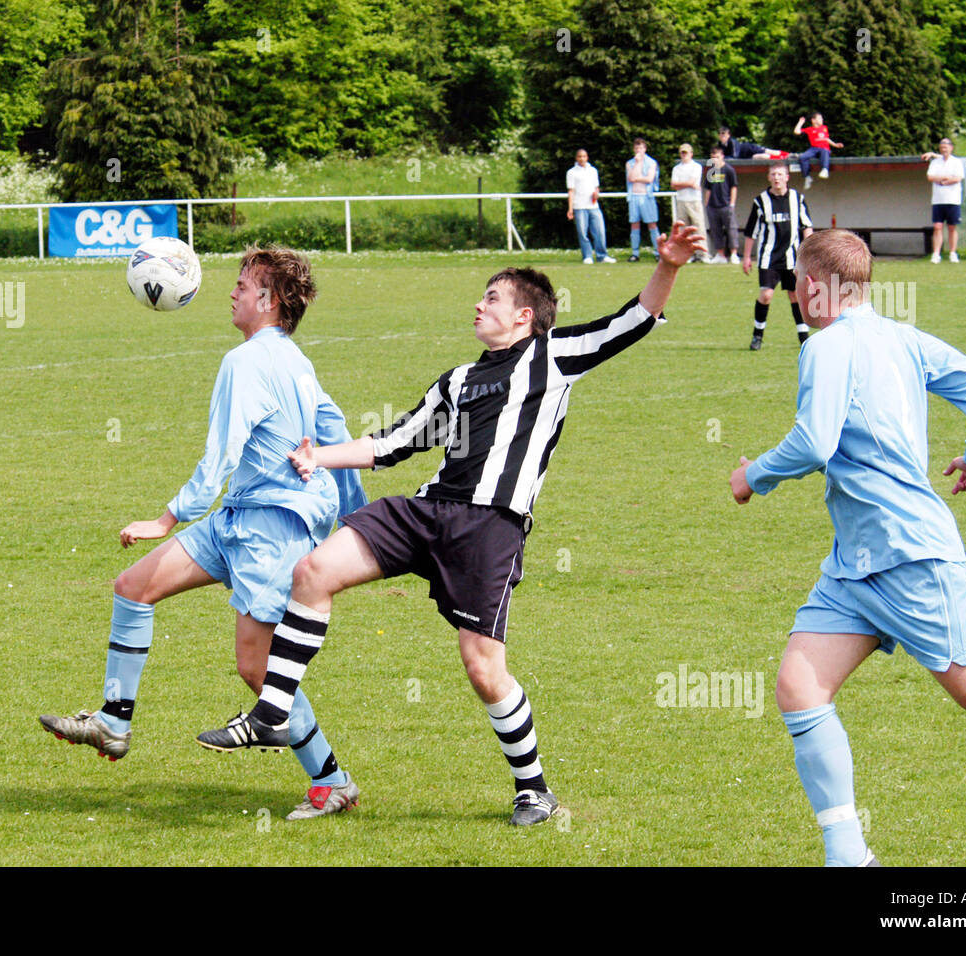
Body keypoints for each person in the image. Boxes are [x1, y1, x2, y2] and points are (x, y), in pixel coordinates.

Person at [196, 223, 709, 826]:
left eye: (492, 298)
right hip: (425, 511)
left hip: (489, 528)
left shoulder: (553, 356)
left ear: (523, 317)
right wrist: (318, 456)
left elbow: (632, 321)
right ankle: (273, 713)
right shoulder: (457, 382)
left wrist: (669, 265)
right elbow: (392, 443)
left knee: (483, 669)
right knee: (313, 571)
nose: (478, 304)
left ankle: (533, 791)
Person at [729, 228, 966, 866]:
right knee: (800, 688)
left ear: (817, 287)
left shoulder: (827, 346)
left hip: (909, 555)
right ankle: (849, 858)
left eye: (800, 281)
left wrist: (753, 477)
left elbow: (814, 441)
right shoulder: (903, 338)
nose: (797, 294)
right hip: (854, 567)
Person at [39, 245, 369, 820]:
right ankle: (113, 722)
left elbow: (221, 455)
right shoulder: (294, 359)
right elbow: (331, 427)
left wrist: (167, 518)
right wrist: (354, 514)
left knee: (257, 669)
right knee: (132, 588)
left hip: (272, 525)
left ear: (267, 299)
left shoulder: (245, 362)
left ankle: (332, 781)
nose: (233, 291)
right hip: (239, 517)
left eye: (243, 283)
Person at [742, 162, 813, 350]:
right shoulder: (761, 201)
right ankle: (757, 335)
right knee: (766, 295)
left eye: (780, 174)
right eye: (773, 174)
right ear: (768, 177)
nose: (776, 177)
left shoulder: (797, 199)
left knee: (795, 296)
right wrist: (747, 257)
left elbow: (807, 227)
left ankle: (804, 336)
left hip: (792, 258)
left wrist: (810, 253)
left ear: (787, 177)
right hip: (768, 258)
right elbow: (751, 232)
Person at [566, 149, 616, 264]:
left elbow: (596, 187)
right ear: (576, 158)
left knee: (600, 231)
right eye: (579, 157)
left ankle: (602, 255)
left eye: (584, 156)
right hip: (579, 206)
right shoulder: (571, 172)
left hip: (593, 206)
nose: (582, 159)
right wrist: (570, 209)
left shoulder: (593, 171)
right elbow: (571, 191)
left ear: (587, 157)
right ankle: (587, 256)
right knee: (583, 232)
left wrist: (596, 193)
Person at [926, 138, 964, 263]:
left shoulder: (957, 162)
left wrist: (945, 180)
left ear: (951, 148)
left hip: (953, 199)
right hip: (938, 200)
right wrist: (944, 178)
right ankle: (936, 253)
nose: (944, 149)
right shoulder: (935, 162)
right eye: (942, 147)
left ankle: (953, 252)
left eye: (946, 146)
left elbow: (958, 178)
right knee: (937, 226)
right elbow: (930, 176)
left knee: (952, 227)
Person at [625, 138, 661, 262]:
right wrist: (638, 164)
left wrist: (638, 177)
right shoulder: (630, 163)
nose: (638, 151)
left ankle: (658, 252)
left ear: (645, 149)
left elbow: (650, 179)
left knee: (652, 224)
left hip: (647, 197)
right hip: (634, 196)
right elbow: (631, 178)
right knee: (634, 224)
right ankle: (635, 253)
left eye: (640, 148)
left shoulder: (652, 162)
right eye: (636, 148)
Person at [671, 144, 707, 262]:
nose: (684, 155)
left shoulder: (696, 167)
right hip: (681, 200)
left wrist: (682, 184)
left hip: (694, 200)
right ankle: (687, 255)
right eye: (682, 153)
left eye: (686, 153)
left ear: (691, 154)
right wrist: (688, 184)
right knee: (683, 229)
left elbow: (692, 181)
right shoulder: (676, 169)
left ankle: (702, 254)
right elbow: (673, 185)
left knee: (698, 227)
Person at [705, 145, 740, 264]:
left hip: (726, 205)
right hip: (712, 206)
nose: (715, 159)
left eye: (717, 156)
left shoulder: (729, 170)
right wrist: (706, 205)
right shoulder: (710, 172)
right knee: (716, 231)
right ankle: (720, 255)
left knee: (731, 229)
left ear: (722, 156)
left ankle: (734, 254)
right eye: (713, 157)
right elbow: (708, 189)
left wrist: (732, 204)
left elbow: (734, 187)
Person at [793, 113, 843, 189]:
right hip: (814, 149)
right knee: (802, 157)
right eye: (820, 118)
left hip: (824, 148)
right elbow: (796, 132)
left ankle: (825, 169)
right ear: (813, 120)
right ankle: (807, 177)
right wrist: (800, 123)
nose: (822, 120)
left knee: (825, 151)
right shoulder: (810, 129)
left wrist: (835, 144)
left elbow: (826, 139)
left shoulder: (824, 128)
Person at [717, 126, 789, 160]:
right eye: (720, 134)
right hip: (744, 156)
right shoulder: (720, 144)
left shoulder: (732, 142)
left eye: (723, 134)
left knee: (768, 151)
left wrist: (723, 158)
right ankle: (781, 158)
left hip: (749, 149)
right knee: (761, 157)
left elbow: (735, 156)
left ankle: (788, 155)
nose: (721, 136)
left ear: (728, 135)